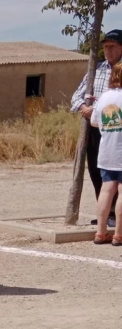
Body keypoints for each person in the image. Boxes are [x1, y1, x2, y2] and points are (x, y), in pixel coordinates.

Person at [72, 28, 122, 228]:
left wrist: (97, 109)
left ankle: (115, 215)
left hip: (117, 129)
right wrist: (84, 108)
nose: (108, 51)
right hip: (97, 129)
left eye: (113, 46)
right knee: (97, 169)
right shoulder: (96, 69)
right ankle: (106, 213)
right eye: (105, 47)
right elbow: (76, 96)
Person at [92, 62, 122, 246]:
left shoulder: (104, 97)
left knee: (106, 190)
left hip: (107, 152)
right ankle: (119, 234)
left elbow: (95, 122)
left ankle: (101, 232)